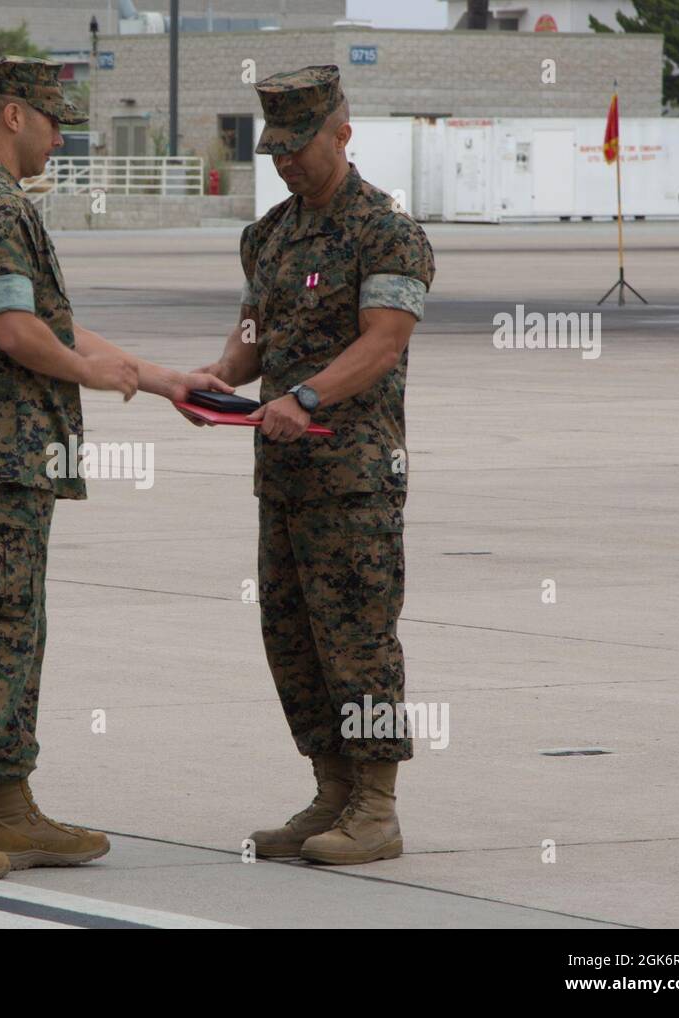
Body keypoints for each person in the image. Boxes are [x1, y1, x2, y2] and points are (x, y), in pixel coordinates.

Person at [0, 57, 231, 880]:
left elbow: (55, 328)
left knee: (19, 631)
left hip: (9, 457)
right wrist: (103, 377)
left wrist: (162, 376)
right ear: (10, 116)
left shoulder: (0, 205)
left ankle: (13, 809)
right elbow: (15, 333)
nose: (60, 133)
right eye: (49, 117)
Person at [192, 65, 435, 865]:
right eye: (275, 150)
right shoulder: (268, 235)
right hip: (283, 477)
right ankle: (330, 790)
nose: (286, 162)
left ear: (342, 131)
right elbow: (252, 335)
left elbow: (382, 341)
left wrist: (304, 397)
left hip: (355, 477)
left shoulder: (386, 230)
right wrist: (218, 377)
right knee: (291, 637)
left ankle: (376, 806)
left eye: (299, 147)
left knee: (358, 637)